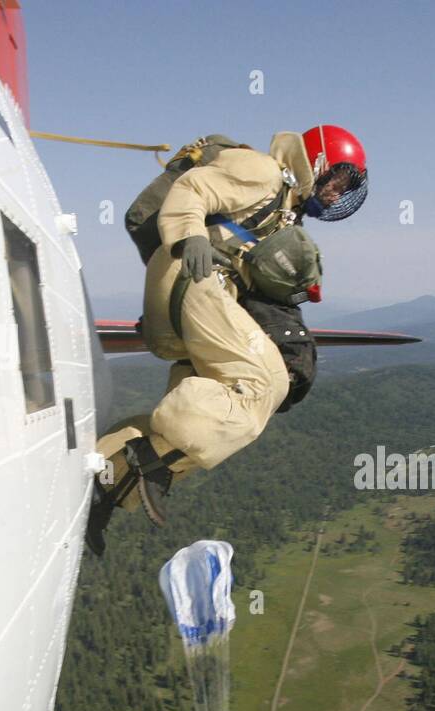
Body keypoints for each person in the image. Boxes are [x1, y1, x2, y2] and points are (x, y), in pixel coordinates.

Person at [87, 126, 369, 555]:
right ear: (316, 162)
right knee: (263, 383)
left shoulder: (281, 210)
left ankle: (107, 485)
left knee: (223, 402)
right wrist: (190, 235)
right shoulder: (262, 171)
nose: (335, 195)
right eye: (336, 180)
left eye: (345, 188)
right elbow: (193, 187)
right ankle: (145, 460)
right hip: (191, 278)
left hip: (197, 294)